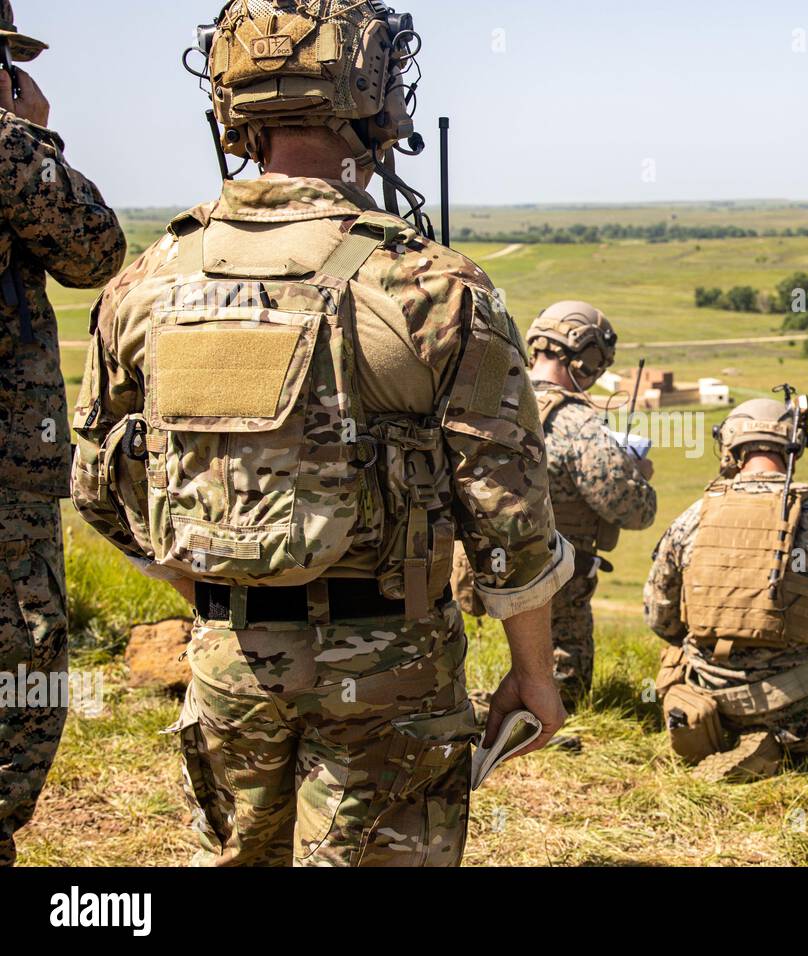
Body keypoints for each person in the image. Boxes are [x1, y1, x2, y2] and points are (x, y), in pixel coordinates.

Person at [70, 0, 569, 866]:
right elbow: (508, 511)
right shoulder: (431, 284)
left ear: (228, 105)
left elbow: (100, 483)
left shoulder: (147, 282)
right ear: (375, 96)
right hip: (396, 672)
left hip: (231, 666)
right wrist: (533, 671)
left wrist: (221, 599)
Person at [0, 0, 126, 866]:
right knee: (24, 678)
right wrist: (31, 135)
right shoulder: (7, 149)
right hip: (6, 493)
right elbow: (96, 251)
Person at [644, 395, 808, 781]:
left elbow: (659, 618)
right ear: (795, 446)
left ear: (730, 449)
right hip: (795, 699)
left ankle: (735, 743)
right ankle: (777, 748)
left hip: (706, 698)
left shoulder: (690, 520)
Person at [523, 302, 657, 708]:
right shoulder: (577, 422)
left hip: (485, 565)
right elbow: (633, 509)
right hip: (556, 572)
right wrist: (638, 475)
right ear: (587, 358)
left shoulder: (495, 403)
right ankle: (548, 716)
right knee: (566, 677)